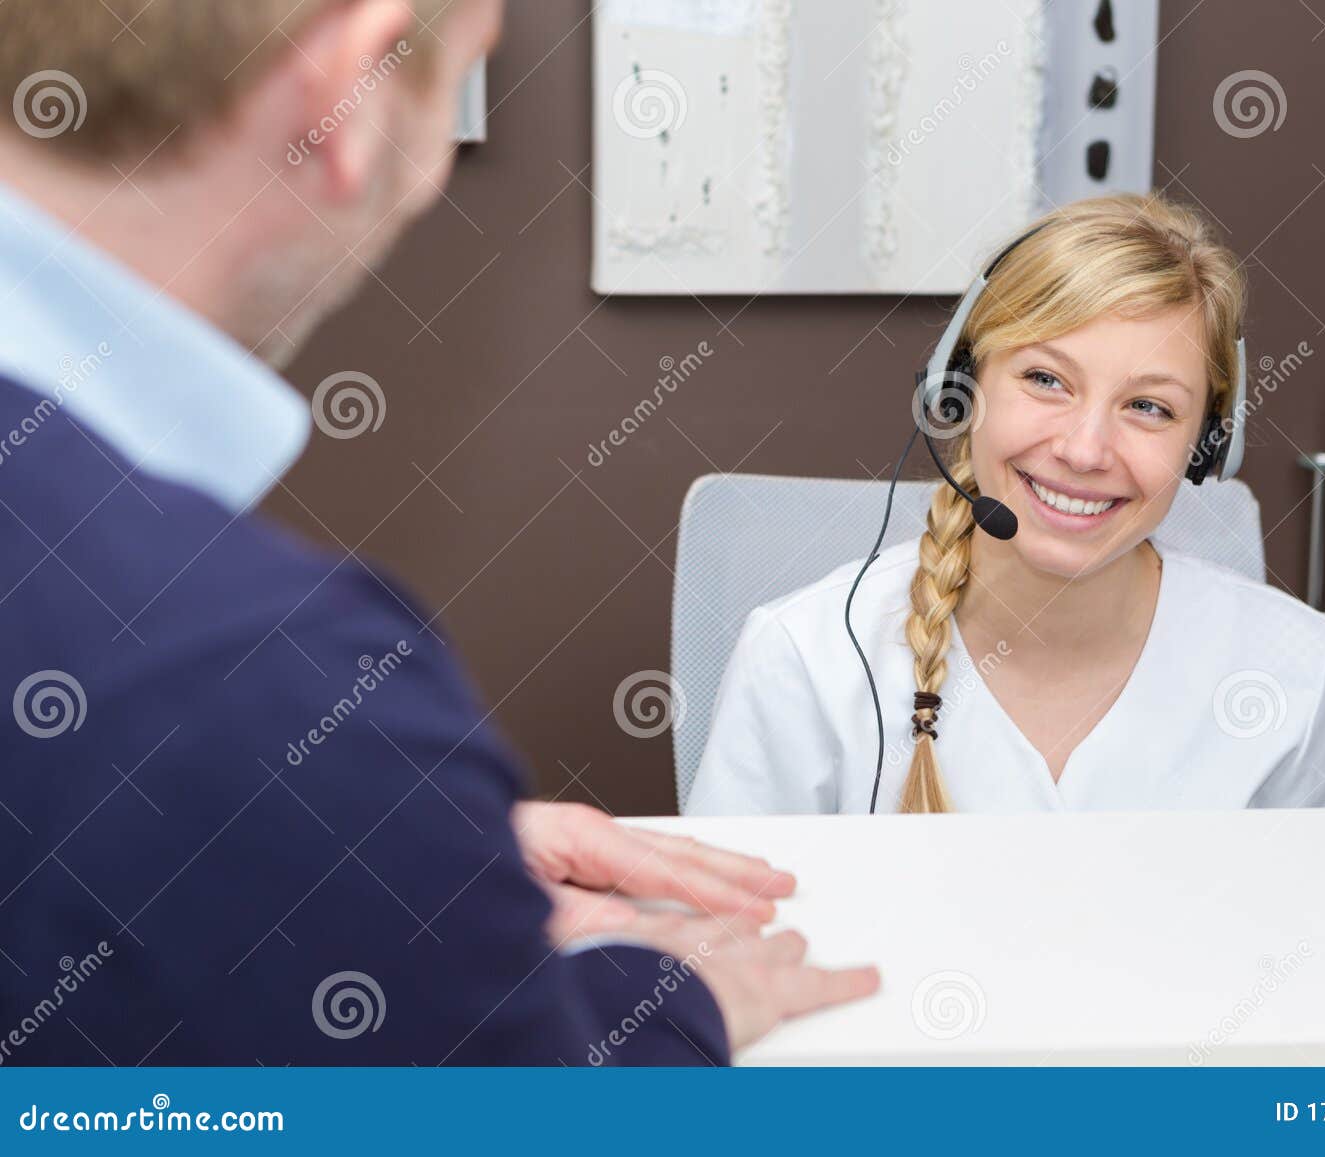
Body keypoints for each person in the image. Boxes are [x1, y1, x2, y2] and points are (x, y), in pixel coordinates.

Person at [0, 0, 876, 1065]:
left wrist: (371, 857)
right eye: (459, 74)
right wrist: (656, 1003)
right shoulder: (257, 670)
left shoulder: (209, 695)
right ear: (348, 92)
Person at [687, 194, 1325, 816]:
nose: (1085, 450)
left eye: (1148, 406)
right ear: (961, 386)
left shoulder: (1295, 672)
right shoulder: (804, 660)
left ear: (1207, 445)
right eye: (1046, 379)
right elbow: (717, 915)